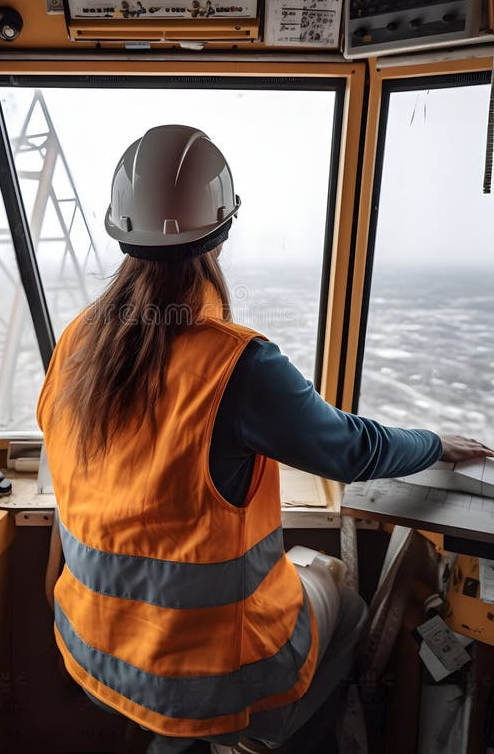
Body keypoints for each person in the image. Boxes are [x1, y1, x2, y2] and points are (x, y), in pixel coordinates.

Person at [37, 125, 493, 754]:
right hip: (207, 681)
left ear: (121, 229)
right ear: (221, 234)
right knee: (345, 600)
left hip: (92, 648)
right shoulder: (237, 366)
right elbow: (352, 450)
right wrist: (435, 444)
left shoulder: (77, 343)